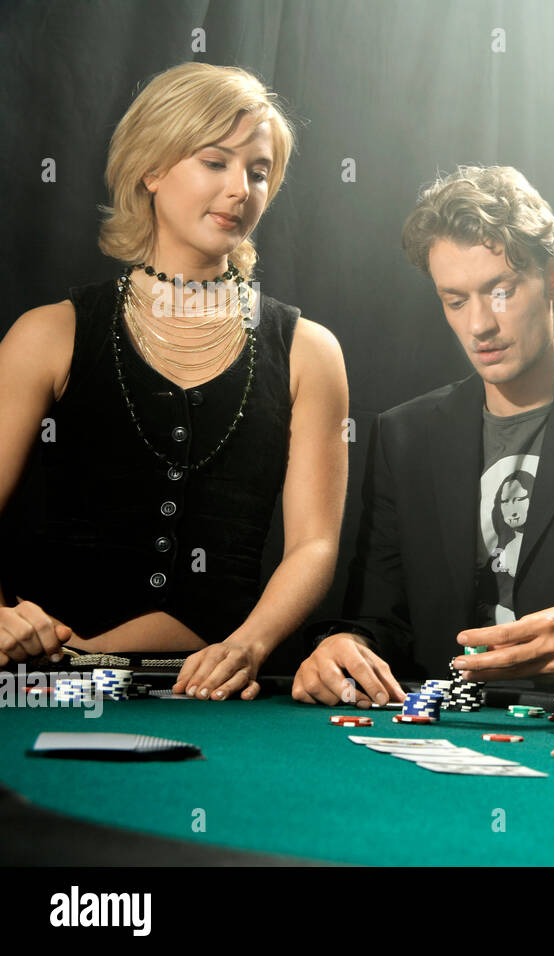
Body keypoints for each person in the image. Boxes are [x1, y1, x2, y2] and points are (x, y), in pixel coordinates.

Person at [292, 165, 554, 706]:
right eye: (455, 300)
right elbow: (378, 616)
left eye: (501, 291)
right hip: (438, 727)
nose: (479, 325)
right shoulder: (405, 435)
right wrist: (342, 644)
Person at [0, 63, 349, 702]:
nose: (241, 188)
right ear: (152, 169)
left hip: (223, 695)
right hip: (54, 685)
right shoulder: (47, 334)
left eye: (259, 170)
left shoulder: (309, 351)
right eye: (215, 162)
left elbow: (315, 542)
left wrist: (251, 643)